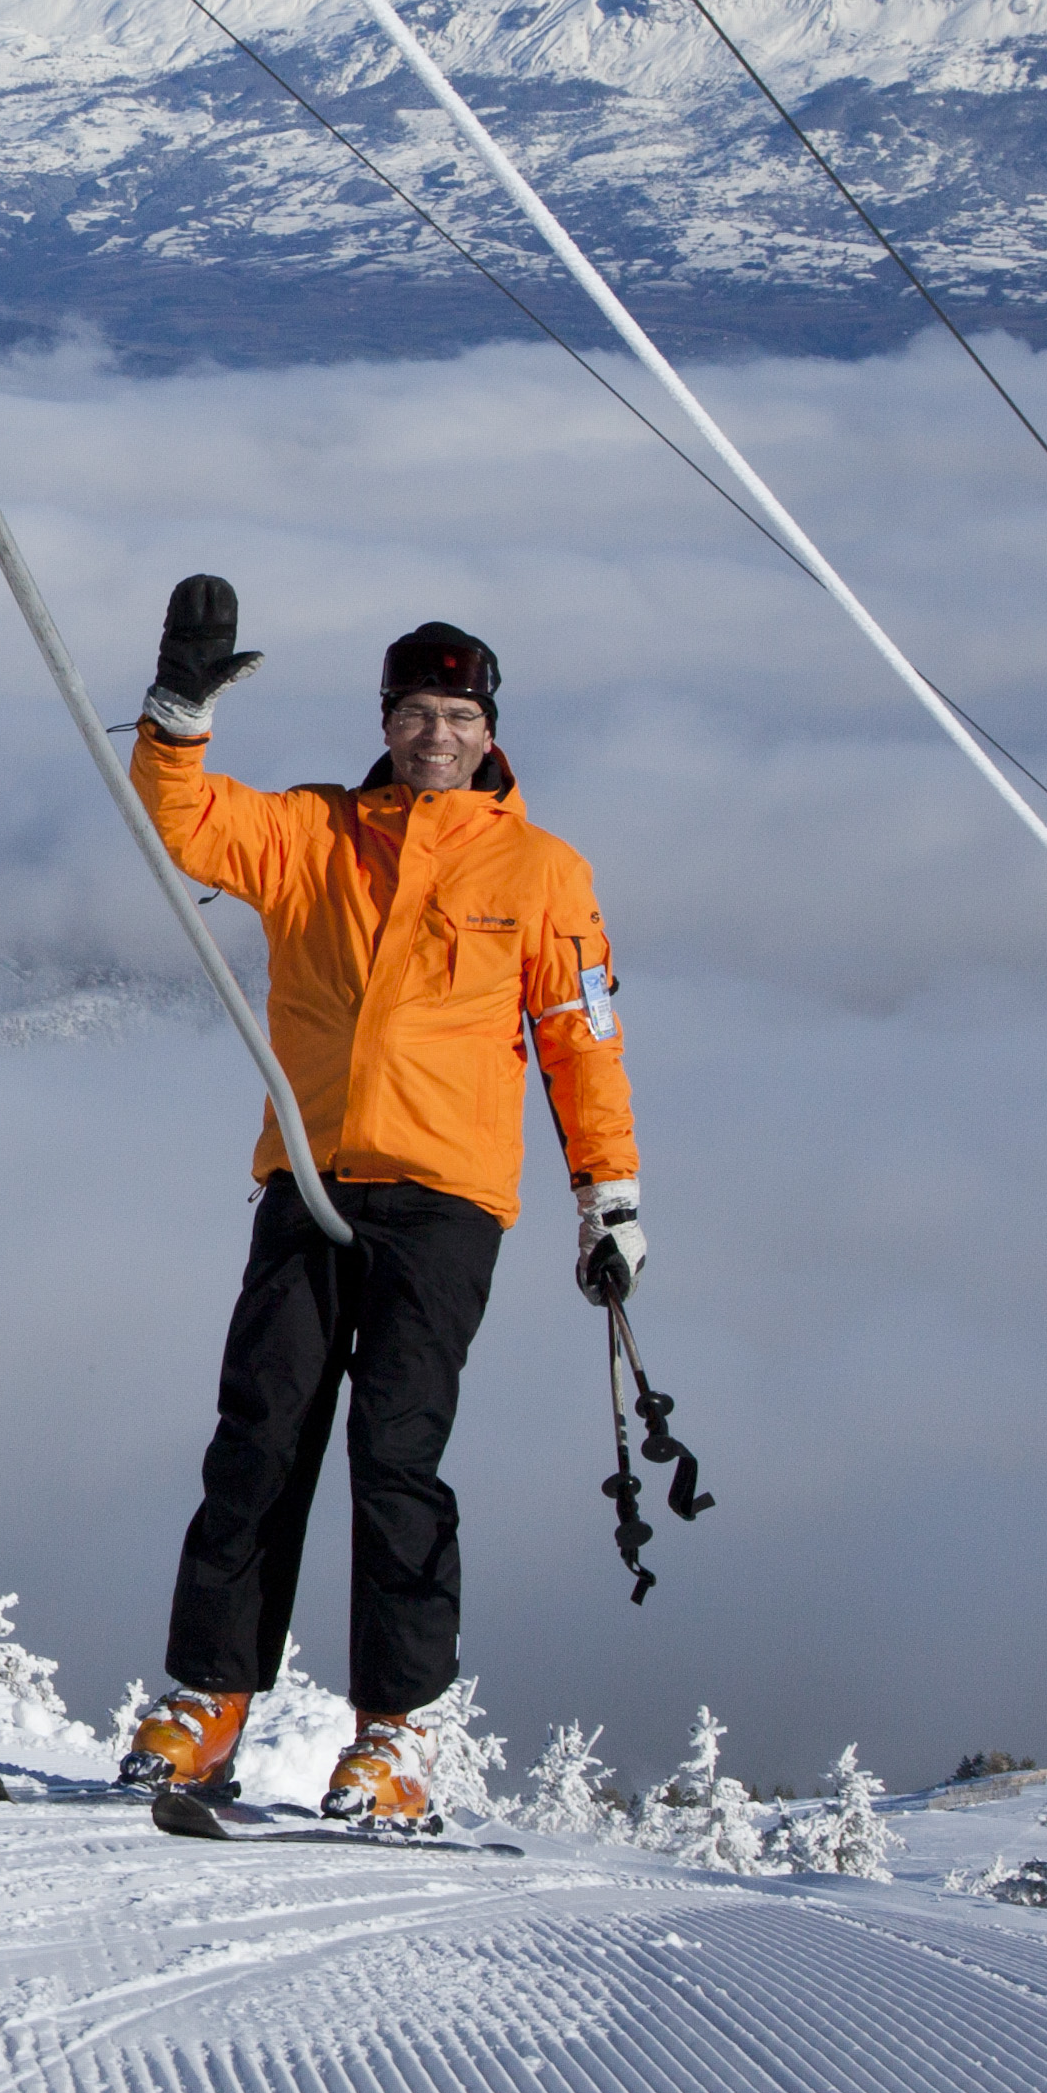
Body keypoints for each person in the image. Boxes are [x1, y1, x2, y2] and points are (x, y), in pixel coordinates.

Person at [111, 576, 645, 1822]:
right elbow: (181, 824)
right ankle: (208, 1707)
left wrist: (606, 1195)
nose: (436, 736)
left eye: (458, 716)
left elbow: (581, 1036)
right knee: (260, 1441)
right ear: (387, 720)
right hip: (310, 1174)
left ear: (491, 728)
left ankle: (396, 1737)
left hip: (446, 1201)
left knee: (395, 1459)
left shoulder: (541, 871)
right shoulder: (315, 832)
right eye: (415, 713)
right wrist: (178, 707)